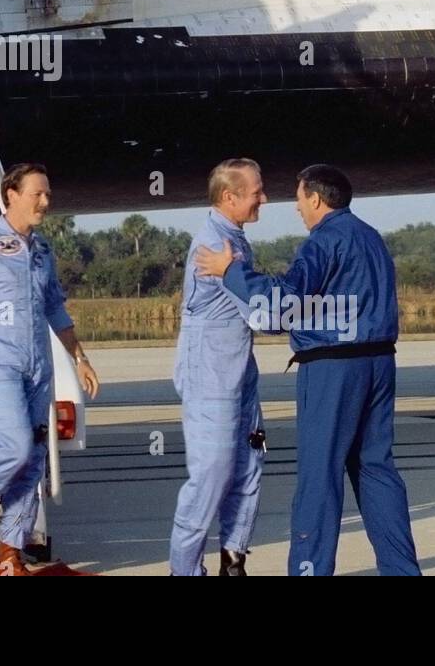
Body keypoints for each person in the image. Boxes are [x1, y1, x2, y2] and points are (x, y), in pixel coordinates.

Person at [196, 164, 421, 576]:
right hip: (380, 364)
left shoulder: (323, 241)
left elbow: (285, 302)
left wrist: (230, 272)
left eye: (299, 198)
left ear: (316, 199)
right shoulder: (372, 238)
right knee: (377, 470)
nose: (296, 208)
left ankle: (309, 569)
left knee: (320, 478)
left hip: (332, 369)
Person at [0, 164, 100, 576]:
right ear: (10, 194)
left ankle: (9, 554)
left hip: (38, 367)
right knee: (13, 445)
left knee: (32, 461)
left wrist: (79, 358)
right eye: (37, 194)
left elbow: (55, 308)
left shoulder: (43, 250)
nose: (45, 202)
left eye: (48, 194)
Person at [170, 158, 268, 577]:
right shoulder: (214, 246)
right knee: (211, 476)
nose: (264, 198)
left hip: (239, 372)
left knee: (250, 464)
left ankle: (233, 560)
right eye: (256, 192)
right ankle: (185, 570)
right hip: (211, 377)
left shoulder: (235, 240)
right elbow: (261, 313)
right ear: (229, 197)